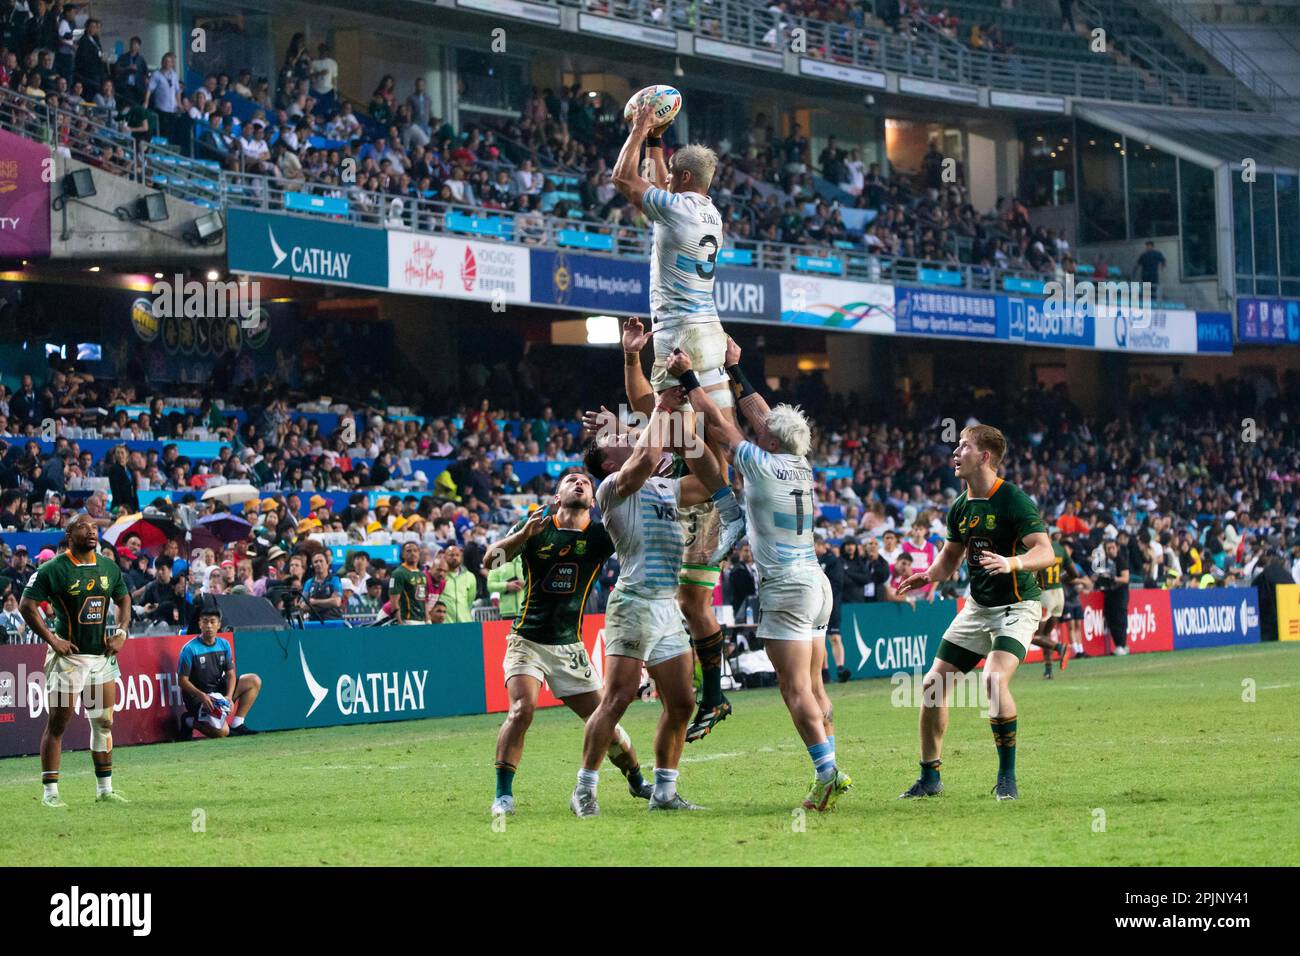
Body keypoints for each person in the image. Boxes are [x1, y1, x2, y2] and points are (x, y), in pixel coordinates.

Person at [668, 348, 852, 812]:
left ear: (769, 442)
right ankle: (831, 765)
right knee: (815, 687)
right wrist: (735, 369)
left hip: (787, 587)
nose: (759, 429)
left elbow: (720, 422)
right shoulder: (799, 464)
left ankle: (827, 773)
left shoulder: (761, 464)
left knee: (794, 691)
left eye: (764, 432)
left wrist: (689, 376)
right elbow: (767, 420)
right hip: (815, 583)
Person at [573, 386, 734, 815]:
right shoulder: (612, 488)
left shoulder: (664, 487)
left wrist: (695, 434)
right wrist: (662, 408)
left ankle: (664, 792)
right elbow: (643, 458)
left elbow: (711, 480)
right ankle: (585, 788)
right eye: (616, 443)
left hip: (666, 606)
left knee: (681, 702)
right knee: (618, 697)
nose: (627, 439)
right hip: (634, 603)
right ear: (607, 462)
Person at [894, 425, 1055, 801]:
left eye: (963, 446)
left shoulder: (1013, 500)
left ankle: (1006, 778)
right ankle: (930, 777)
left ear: (984, 457)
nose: (955, 452)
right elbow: (949, 561)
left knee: (994, 682)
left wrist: (1012, 563)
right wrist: (927, 576)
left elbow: (1045, 551)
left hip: (1017, 606)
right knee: (934, 685)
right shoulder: (961, 506)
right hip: (978, 607)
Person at [484, 477, 653, 818]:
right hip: (526, 640)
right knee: (522, 709)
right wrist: (522, 535)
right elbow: (491, 561)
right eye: (570, 480)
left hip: (569, 646)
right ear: (556, 495)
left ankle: (636, 779)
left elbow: (639, 552)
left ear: (593, 499)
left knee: (605, 722)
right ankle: (503, 796)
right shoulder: (536, 524)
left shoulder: (601, 536)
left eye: (585, 482)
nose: (579, 483)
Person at [611, 317, 745, 743]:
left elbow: (714, 478)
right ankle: (673, 684)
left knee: (691, 600)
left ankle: (715, 694)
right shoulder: (669, 411)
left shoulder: (705, 410)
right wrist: (632, 353)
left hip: (705, 510)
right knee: (667, 601)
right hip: (674, 505)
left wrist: (659, 489)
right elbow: (638, 399)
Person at [612, 99, 739, 464]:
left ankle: (690, 501)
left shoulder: (675, 208)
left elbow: (622, 179)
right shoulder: (710, 212)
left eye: (671, 174)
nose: (664, 180)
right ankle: (733, 505)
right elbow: (657, 189)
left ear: (683, 178)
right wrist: (654, 141)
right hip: (711, 333)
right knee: (720, 435)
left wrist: (639, 126)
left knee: (671, 436)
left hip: (679, 334)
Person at [19, 514, 131, 807]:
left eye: (95, 527)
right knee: (58, 724)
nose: (92, 531)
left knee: (103, 722)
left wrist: (121, 632)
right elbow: (26, 605)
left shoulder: (108, 566)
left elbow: (124, 599)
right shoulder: (53, 569)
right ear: (69, 533)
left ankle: (104, 790)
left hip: (100, 657)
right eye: (83, 527)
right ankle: (50, 793)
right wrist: (52, 639)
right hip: (69, 658)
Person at [177, 602, 260, 737]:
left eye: (212, 622)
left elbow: (230, 674)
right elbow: (182, 681)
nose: (209, 626)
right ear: (200, 624)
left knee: (254, 680)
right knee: (222, 733)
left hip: (218, 691)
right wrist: (202, 696)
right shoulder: (189, 649)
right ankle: (189, 721)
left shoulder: (224, 644)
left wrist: (228, 696)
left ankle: (238, 723)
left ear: (218, 625)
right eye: (205, 622)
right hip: (197, 698)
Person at [1033, 526, 1085, 677]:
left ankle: (1061, 648)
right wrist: (1060, 579)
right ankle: (1048, 670)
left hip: (1045, 596)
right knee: (1045, 635)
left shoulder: (1038, 549)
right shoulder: (1060, 549)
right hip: (1059, 595)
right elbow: (1074, 574)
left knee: (1033, 636)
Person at [816, 535, 850, 683]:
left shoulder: (832, 561)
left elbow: (837, 583)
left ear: (819, 544)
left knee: (834, 637)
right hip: (815, 606)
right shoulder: (811, 561)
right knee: (819, 638)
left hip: (831, 604)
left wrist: (826, 598)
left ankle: (840, 668)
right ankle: (824, 670)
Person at [1092, 538, 1131, 655]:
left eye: (1113, 547)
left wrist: (1113, 578)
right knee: (1110, 618)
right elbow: (1096, 575)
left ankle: (1121, 645)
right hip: (1109, 594)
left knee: (1120, 619)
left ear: (1117, 548)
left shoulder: (1121, 560)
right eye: (1108, 548)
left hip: (1120, 593)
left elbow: (1125, 578)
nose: (1111, 550)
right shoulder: (1103, 562)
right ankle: (1118, 645)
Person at [389, 541, 428, 624]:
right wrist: (400, 623)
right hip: (407, 620)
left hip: (422, 621)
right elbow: (394, 602)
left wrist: (427, 619)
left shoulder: (422, 575)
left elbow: (424, 600)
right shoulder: (398, 573)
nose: (412, 553)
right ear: (403, 554)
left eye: (415, 550)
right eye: (408, 551)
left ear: (419, 553)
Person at [305, 551, 344, 621]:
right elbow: (302, 605)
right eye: (315, 562)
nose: (318, 564)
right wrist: (328, 602)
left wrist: (314, 602)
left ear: (327, 563)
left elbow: (336, 602)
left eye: (321, 561)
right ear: (312, 565)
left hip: (333, 621)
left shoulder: (335, 580)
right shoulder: (309, 583)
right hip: (314, 622)